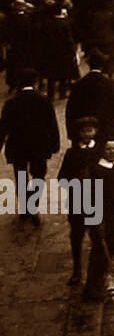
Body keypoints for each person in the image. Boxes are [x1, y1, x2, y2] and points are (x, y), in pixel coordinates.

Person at [0, 69, 61, 225]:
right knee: (39, 176)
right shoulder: (44, 101)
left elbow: (3, 128)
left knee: (21, 177)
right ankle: (32, 205)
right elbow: (52, 125)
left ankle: (25, 208)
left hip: (17, 146)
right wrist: (55, 144)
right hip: (39, 145)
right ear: (35, 82)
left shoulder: (11, 103)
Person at [79, 138, 114, 303]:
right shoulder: (98, 172)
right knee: (100, 253)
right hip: (102, 219)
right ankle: (92, 288)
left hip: (113, 217)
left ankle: (99, 285)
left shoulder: (113, 167)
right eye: (108, 149)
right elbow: (93, 199)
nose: (112, 152)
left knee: (110, 251)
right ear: (102, 151)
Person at [57, 116, 101, 285]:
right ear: (78, 134)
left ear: (95, 132)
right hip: (77, 202)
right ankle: (77, 270)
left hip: (96, 200)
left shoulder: (100, 152)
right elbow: (62, 177)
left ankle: (96, 272)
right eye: (85, 131)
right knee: (76, 236)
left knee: (97, 236)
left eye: (91, 130)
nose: (88, 134)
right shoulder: (72, 154)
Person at [65, 51, 114, 151]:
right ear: (102, 66)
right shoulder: (109, 84)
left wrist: (72, 133)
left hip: (83, 132)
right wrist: (112, 128)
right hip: (105, 131)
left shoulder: (79, 85)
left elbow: (70, 110)